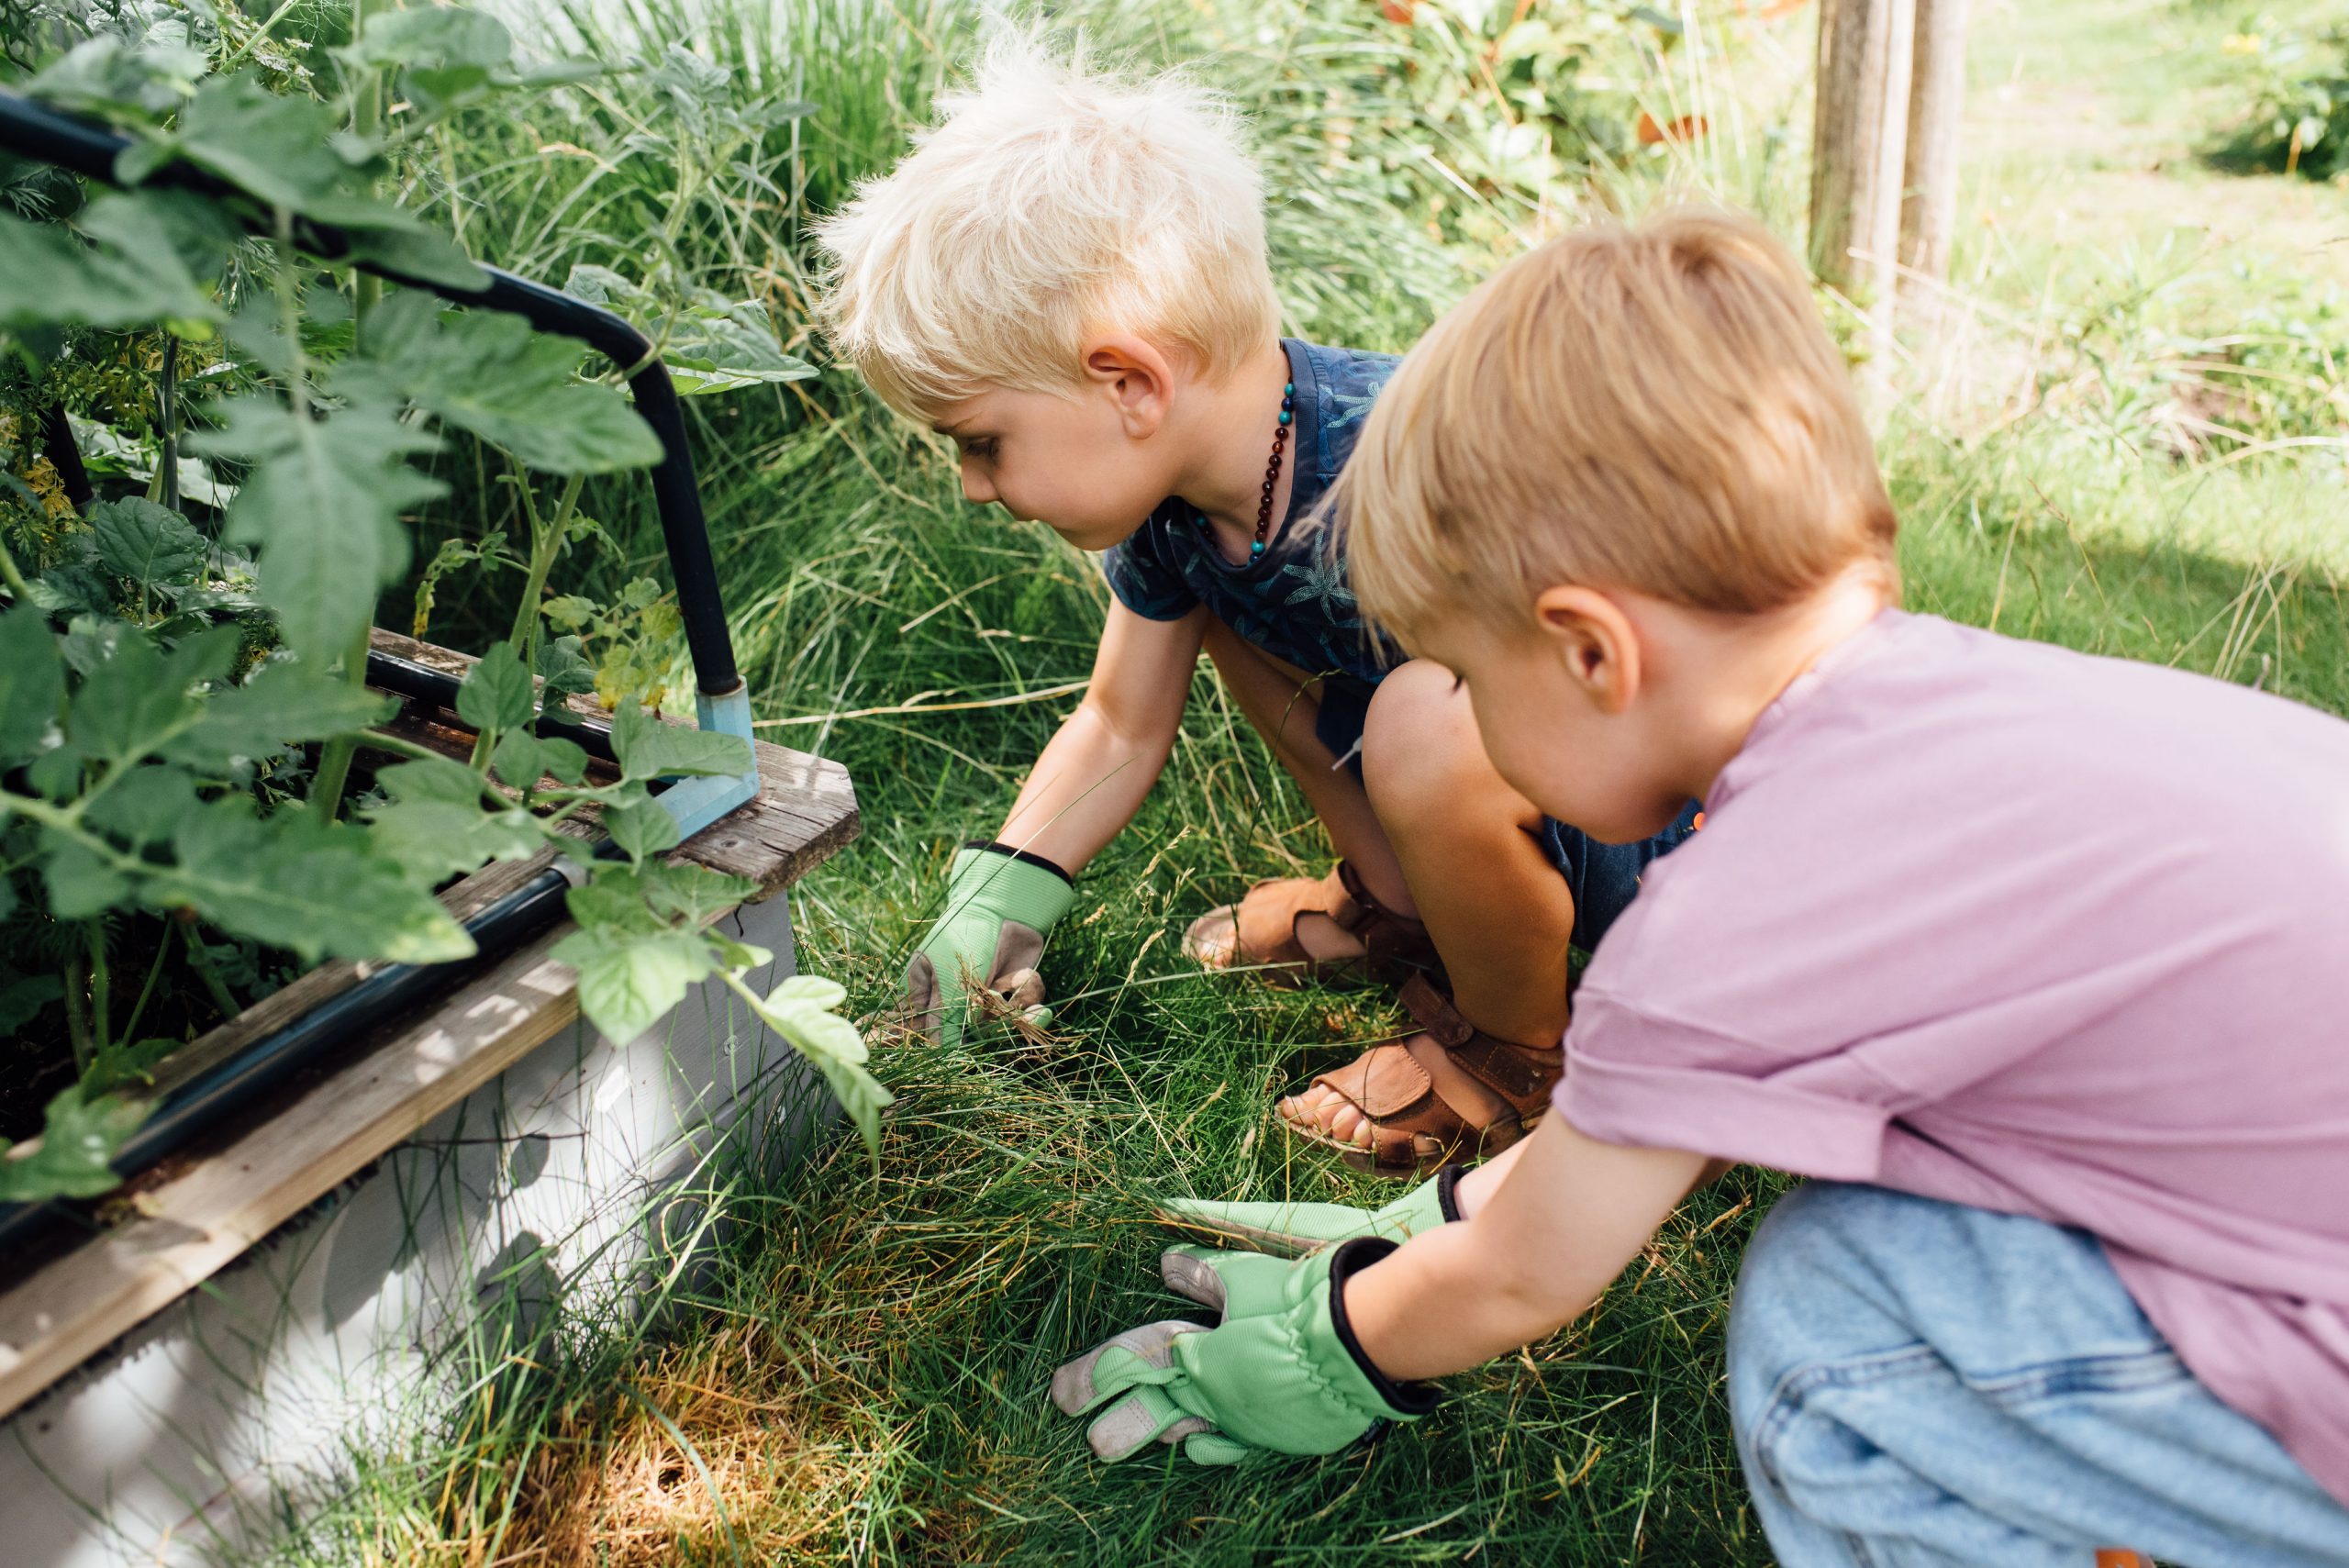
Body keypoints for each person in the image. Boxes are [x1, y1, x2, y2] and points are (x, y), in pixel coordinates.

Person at [1048, 208, 2349, 1568]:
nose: (1473, 729)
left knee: (1832, 1312)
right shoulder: (1975, 715)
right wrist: (1409, 1231)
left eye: (1476, 683)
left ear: (1594, 655)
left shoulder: (1745, 904)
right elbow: (1605, 1162)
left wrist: (1332, 1346)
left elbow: (1526, 1273)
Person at [813, 38, 1696, 1171]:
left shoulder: (1410, 460)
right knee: (1229, 610)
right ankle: (1403, 903)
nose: (972, 484)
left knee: (1425, 716)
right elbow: (1120, 724)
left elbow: (1625, 684)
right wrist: (994, 903)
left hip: (1658, 836)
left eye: (982, 442)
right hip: (1497, 790)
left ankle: (1508, 1050)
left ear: (1128, 382)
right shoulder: (1179, 508)